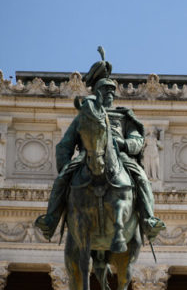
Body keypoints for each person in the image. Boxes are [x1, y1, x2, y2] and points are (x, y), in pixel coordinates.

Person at [34, 76, 165, 244]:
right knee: (61, 179)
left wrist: (124, 143)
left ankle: (149, 220)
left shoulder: (123, 116)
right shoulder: (83, 117)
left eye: (112, 89)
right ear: (97, 93)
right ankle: (51, 219)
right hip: (86, 155)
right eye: (105, 89)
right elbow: (64, 145)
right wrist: (65, 167)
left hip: (119, 156)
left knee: (141, 177)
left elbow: (138, 141)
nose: (109, 92)